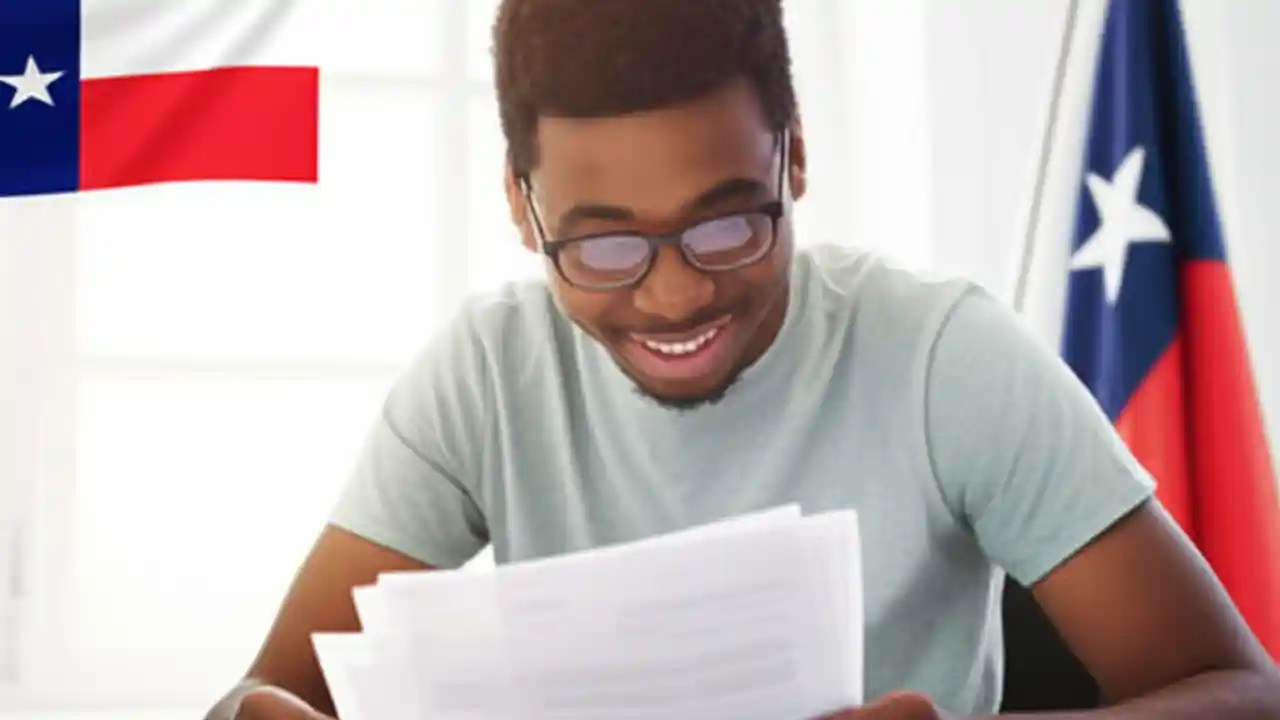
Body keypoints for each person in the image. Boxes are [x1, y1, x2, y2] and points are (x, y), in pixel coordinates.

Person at [209, 1, 1280, 718]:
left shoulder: (942, 356)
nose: (673, 295)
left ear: (795, 157)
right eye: (603, 243)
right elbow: (262, 692)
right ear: (518, 208)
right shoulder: (485, 375)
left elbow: (1238, 689)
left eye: (728, 225)